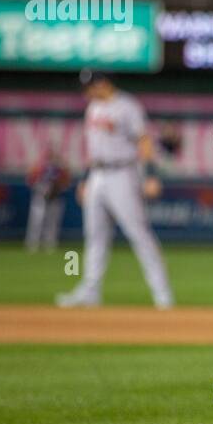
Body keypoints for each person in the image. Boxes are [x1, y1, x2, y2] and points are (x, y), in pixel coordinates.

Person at [55, 70, 174, 309]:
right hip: (98, 174)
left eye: (90, 86)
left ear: (103, 83)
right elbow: (93, 149)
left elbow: (144, 141)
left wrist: (150, 175)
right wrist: (86, 179)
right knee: (95, 236)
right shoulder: (93, 108)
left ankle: (163, 295)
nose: (87, 92)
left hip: (123, 173)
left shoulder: (127, 106)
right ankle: (90, 292)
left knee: (138, 233)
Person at [25, 147, 72, 253]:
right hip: (41, 197)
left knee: (52, 222)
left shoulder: (60, 169)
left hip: (55, 198)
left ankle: (50, 244)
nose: (51, 158)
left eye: (53, 156)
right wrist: (40, 187)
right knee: (37, 222)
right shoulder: (40, 167)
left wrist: (58, 188)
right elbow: (30, 180)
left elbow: (66, 182)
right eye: (49, 155)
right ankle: (32, 244)